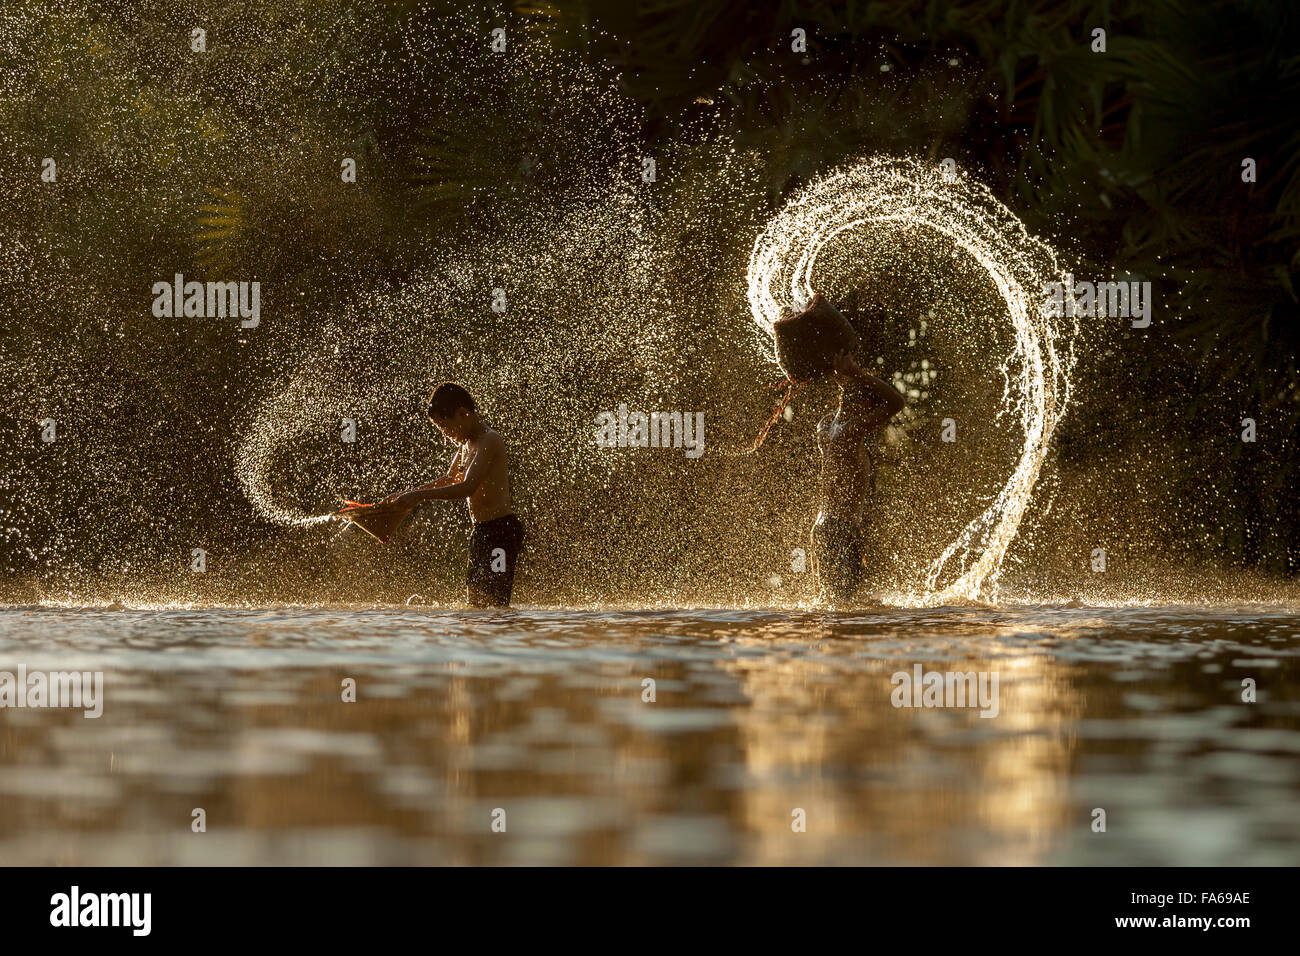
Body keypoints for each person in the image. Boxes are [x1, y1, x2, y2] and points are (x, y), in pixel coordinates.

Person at [382, 382, 525, 608]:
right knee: (474, 604)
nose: (446, 435)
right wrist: (407, 493)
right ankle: (478, 643)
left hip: (501, 532)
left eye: (446, 427)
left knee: (496, 605)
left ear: (463, 414)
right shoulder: (466, 444)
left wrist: (420, 498)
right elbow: (449, 479)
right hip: (481, 532)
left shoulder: (490, 440)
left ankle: (503, 642)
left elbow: (467, 487)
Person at [811, 350, 905, 605]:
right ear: (865, 406)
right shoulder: (851, 433)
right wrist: (856, 373)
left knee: (831, 605)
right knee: (845, 608)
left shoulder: (826, 428)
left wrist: (841, 373)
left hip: (822, 528)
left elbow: (851, 399)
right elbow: (896, 403)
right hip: (841, 532)